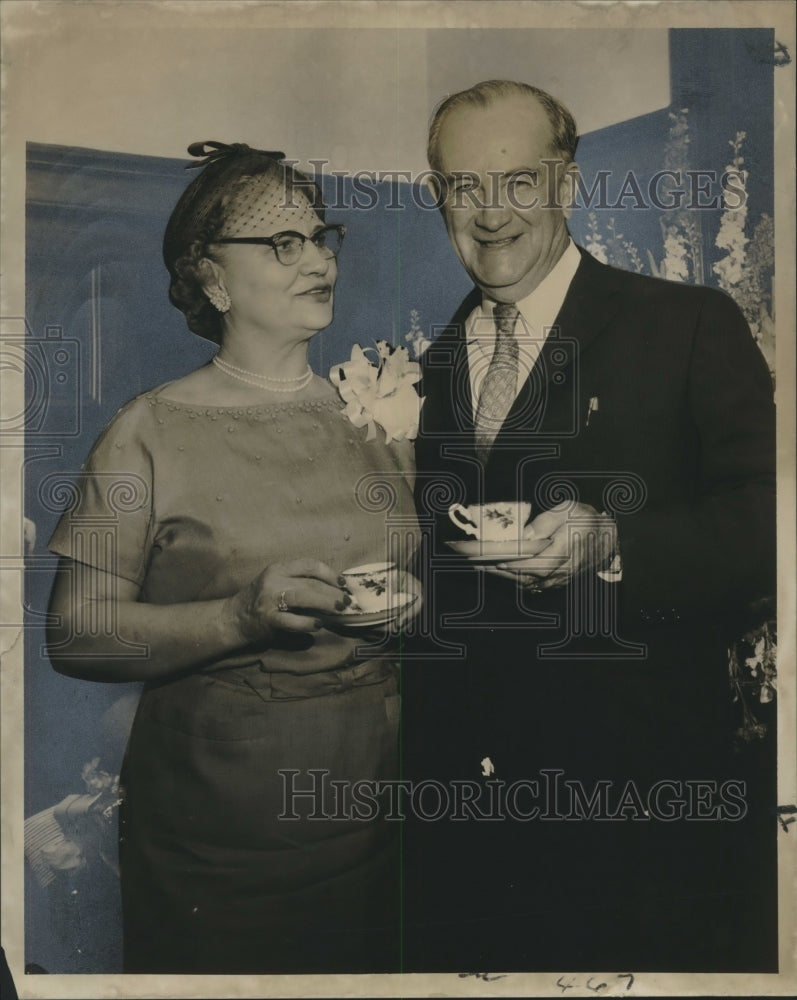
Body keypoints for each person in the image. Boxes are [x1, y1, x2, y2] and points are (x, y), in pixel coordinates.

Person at [403, 81, 777, 972]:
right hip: (472, 809)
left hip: (643, 806)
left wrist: (613, 543)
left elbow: (770, 517)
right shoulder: (441, 355)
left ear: (566, 184)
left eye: (517, 183)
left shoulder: (684, 325)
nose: (489, 215)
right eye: (463, 187)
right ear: (438, 199)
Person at [46, 141, 420, 974]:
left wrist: (410, 602)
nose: (317, 258)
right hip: (218, 846)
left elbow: (409, 569)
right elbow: (74, 634)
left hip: (378, 817)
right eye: (281, 243)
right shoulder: (142, 433)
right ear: (211, 279)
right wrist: (237, 616)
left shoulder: (379, 407)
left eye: (320, 237)